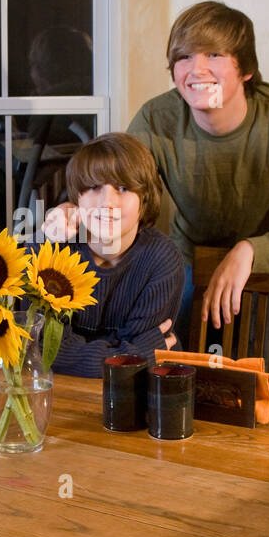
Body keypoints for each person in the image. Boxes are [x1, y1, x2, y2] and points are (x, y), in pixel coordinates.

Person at [45, 1, 269, 339]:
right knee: (170, 367)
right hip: (187, 266)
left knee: (258, 381)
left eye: (214, 55)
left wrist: (250, 250)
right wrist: (71, 210)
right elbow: (117, 187)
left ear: (246, 69)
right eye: (184, 57)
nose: (197, 70)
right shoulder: (156, 117)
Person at [42, 133, 182, 378]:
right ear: (76, 198)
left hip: (137, 393)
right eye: (94, 187)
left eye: (123, 188)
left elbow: (137, 368)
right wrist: (137, 352)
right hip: (61, 390)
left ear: (144, 199)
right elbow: (48, 351)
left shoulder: (162, 259)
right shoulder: (51, 250)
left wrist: (134, 357)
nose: (107, 202)